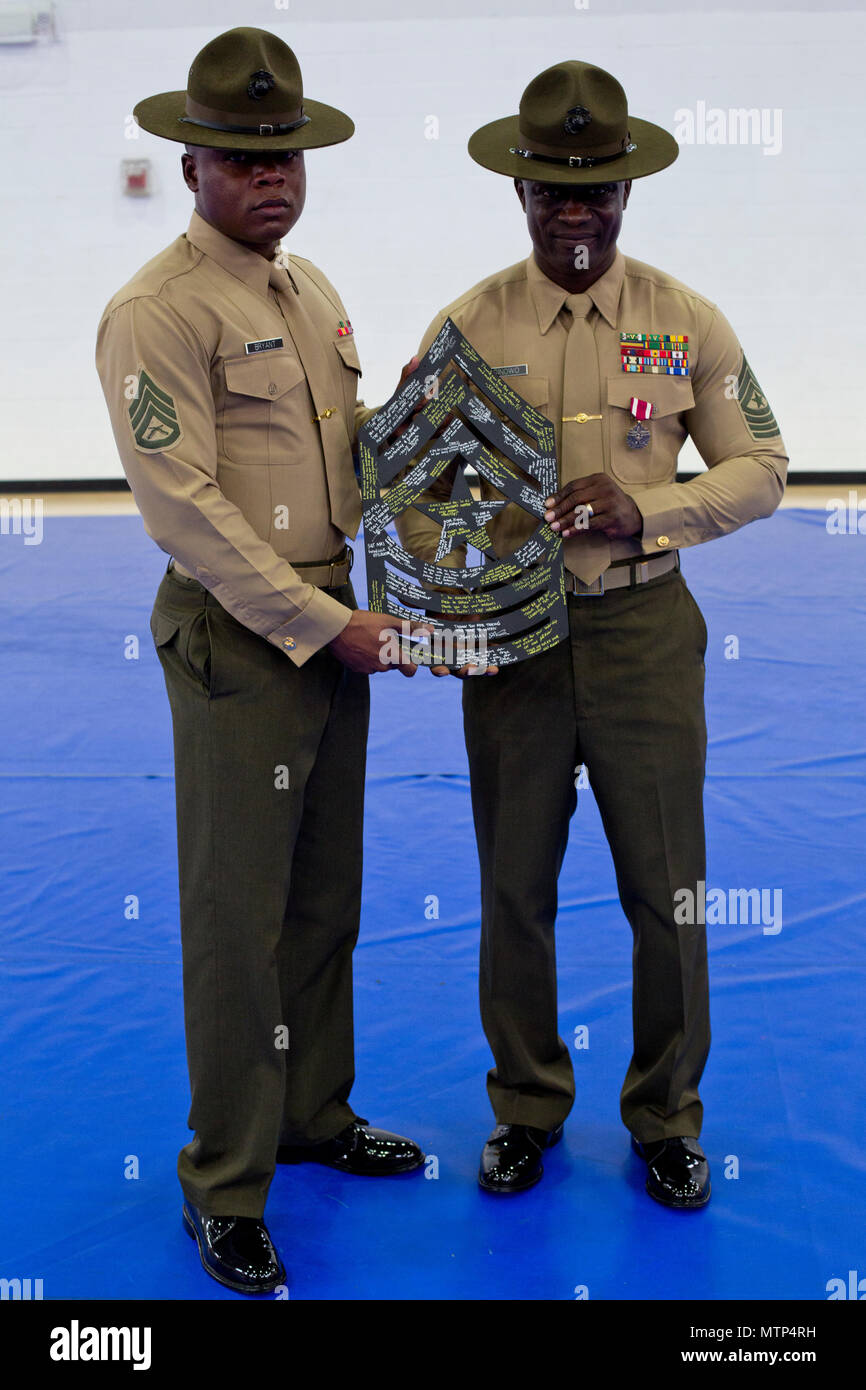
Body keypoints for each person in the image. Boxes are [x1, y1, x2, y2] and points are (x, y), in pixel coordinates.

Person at [397, 60, 787, 1208]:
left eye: (596, 192)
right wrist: (464, 549)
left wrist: (646, 510)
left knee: (667, 888)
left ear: (626, 194)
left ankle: (664, 1116)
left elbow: (762, 468)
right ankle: (525, 1107)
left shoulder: (684, 321)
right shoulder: (467, 323)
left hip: (642, 633)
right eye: (550, 193)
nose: (575, 213)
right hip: (515, 643)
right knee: (511, 886)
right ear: (517, 194)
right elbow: (414, 494)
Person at [95, 27, 428, 1296]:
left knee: (320, 899)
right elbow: (183, 508)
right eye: (241, 156)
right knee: (236, 921)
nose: (269, 174)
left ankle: (311, 1115)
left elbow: (341, 462)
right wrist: (316, 621)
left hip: (331, 626)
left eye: (284, 152)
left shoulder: (309, 289)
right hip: (246, 640)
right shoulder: (156, 311)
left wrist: (409, 424)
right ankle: (226, 1181)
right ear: (192, 164)